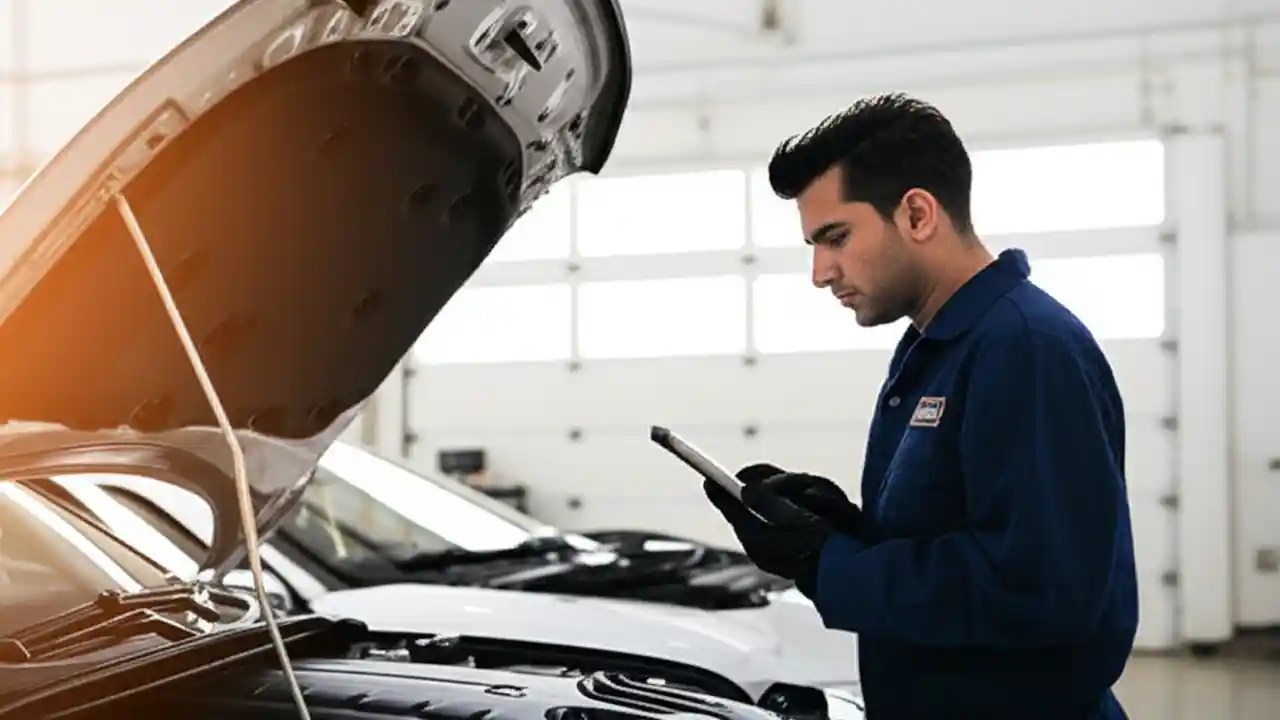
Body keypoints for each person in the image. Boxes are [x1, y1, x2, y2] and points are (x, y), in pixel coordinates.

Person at [702, 93, 1138, 719]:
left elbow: (1041, 592)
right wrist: (840, 528)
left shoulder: (1024, 347)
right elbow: (966, 533)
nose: (821, 272)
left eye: (836, 237)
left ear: (916, 214)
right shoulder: (937, 344)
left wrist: (831, 565)